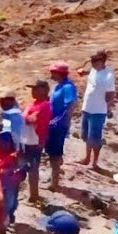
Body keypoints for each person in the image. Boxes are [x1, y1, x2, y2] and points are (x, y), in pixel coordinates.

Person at [77, 51, 116, 169]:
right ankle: (87, 157)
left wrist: (108, 109)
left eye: (94, 62)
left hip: (98, 111)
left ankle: (94, 161)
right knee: (85, 136)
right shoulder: (94, 70)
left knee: (95, 138)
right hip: (87, 107)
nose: (92, 64)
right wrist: (84, 72)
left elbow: (110, 95)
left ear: (101, 62)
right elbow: (93, 74)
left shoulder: (108, 76)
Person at [46, 62, 78, 191]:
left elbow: (71, 106)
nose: (51, 75)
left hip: (58, 126)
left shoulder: (67, 87)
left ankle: (55, 183)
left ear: (59, 73)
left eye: (53, 72)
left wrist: (62, 122)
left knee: (55, 154)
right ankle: (55, 175)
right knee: (53, 152)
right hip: (53, 124)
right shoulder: (59, 86)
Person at [21, 80, 53, 203]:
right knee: (27, 167)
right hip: (27, 139)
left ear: (44, 90)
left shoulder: (44, 105)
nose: (32, 91)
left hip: (35, 141)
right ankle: (32, 194)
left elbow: (30, 119)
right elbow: (26, 118)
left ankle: (34, 195)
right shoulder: (34, 103)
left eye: (35, 89)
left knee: (33, 169)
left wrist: (22, 118)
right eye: (32, 88)